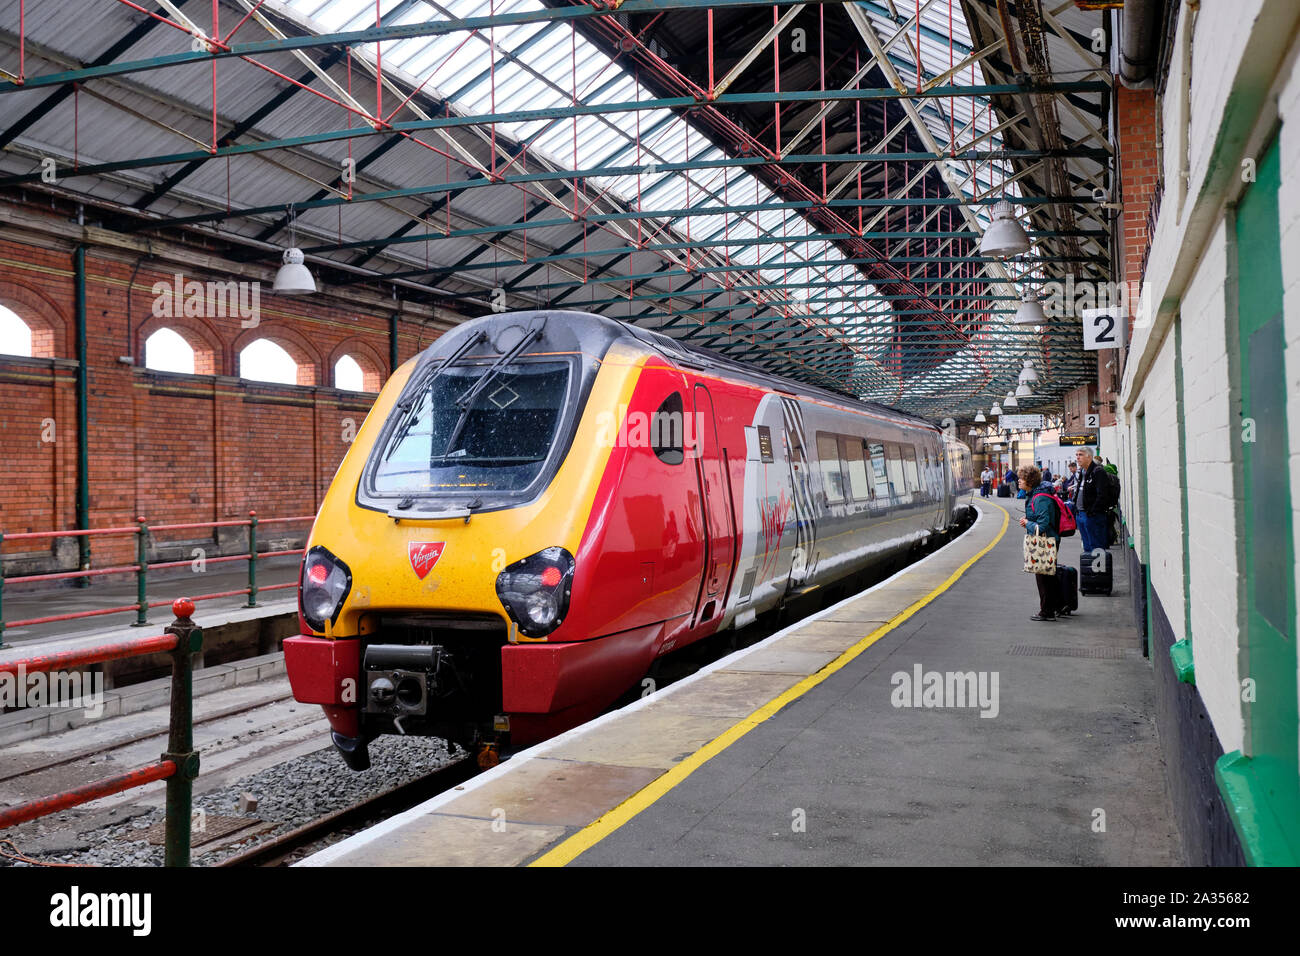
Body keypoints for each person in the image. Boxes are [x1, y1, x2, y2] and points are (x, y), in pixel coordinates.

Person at [1017, 464, 1061, 621]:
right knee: (1047, 576)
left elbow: (1043, 524)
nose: (1019, 482)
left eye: (1021, 479)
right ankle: (1053, 608)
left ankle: (1046, 611)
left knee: (1043, 578)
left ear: (1029, 480)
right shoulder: (1035, 495)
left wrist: (1027, 523)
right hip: (1047, 539)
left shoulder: (1040, 498)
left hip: (1045, 540)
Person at [1073, 447, 1117, 555]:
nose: (1078, 457)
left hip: (1092, 516)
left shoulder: (1098, 471)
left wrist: (1092, 512)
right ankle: (1090, 571)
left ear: (1089, 456)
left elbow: (1102, 495)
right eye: (1077, 455)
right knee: (1087, 547)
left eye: (1081, 455)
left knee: (1096, 548)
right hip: (1081, 514)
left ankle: (1098, 571)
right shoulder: (1083, 472)